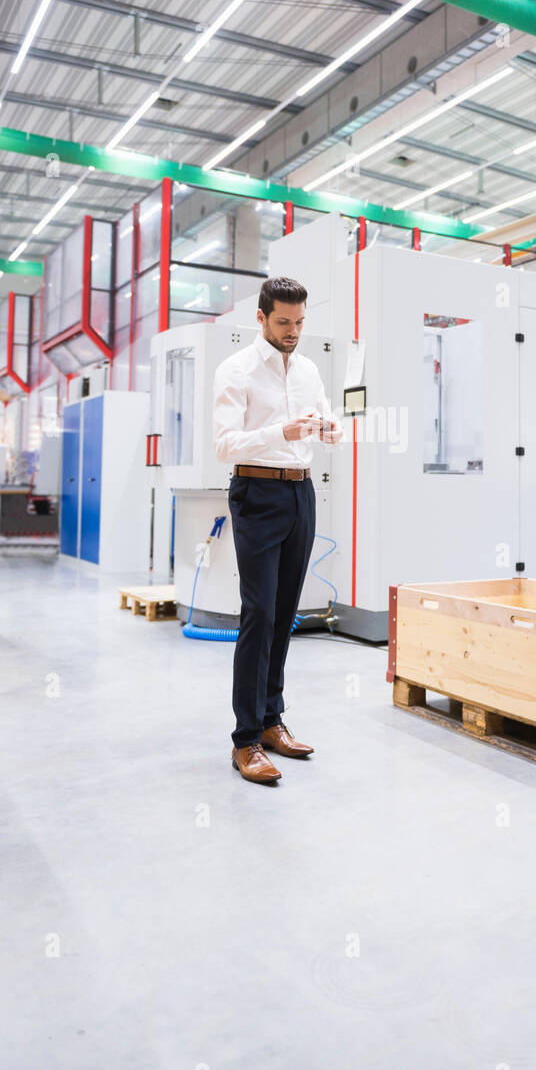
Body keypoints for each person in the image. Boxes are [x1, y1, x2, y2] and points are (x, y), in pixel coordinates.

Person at [213, 276, 342, 784]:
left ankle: (272, 720)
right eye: (284, 322)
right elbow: (225, 445)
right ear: (261, 318)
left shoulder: (308, 369)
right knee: (259, 611)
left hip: (300, 493)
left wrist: (332, 430)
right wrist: (278, 432)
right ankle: (245, 740)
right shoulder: (237, 370)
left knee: (285, 609)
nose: (293, 332)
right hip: (257, 494)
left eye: (300, 323)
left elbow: (327, 421)